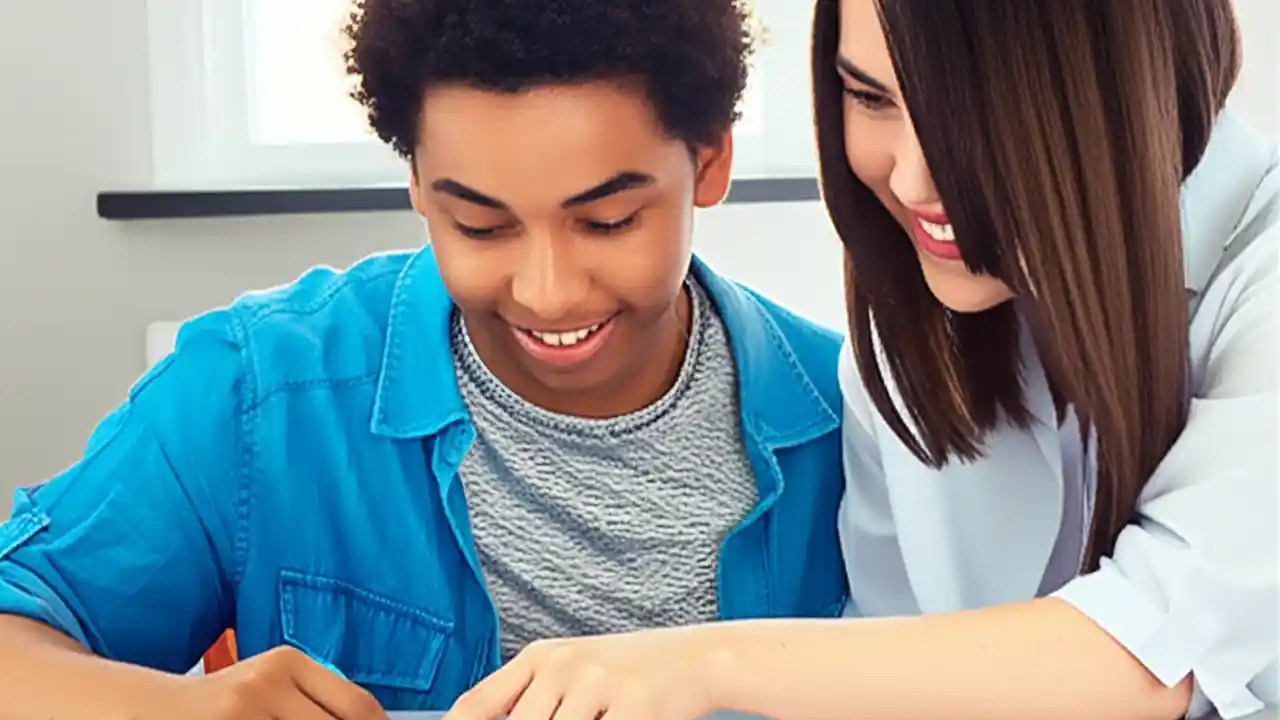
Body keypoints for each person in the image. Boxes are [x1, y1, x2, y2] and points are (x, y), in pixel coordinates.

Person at [0, 0, 850, 716]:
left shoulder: (857, 427)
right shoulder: (259, 390)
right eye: (480, 226)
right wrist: (177, 710)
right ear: (416, 181)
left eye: (607, 221)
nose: (547, 293)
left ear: (709, 161)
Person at [445, 0, 1278, 718]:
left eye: (970, 117)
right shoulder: (915, 320)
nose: (914, 179)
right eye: (870, 98)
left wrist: (696, 664)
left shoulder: (1260, 270)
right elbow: (893, 663)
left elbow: (1153, 652)